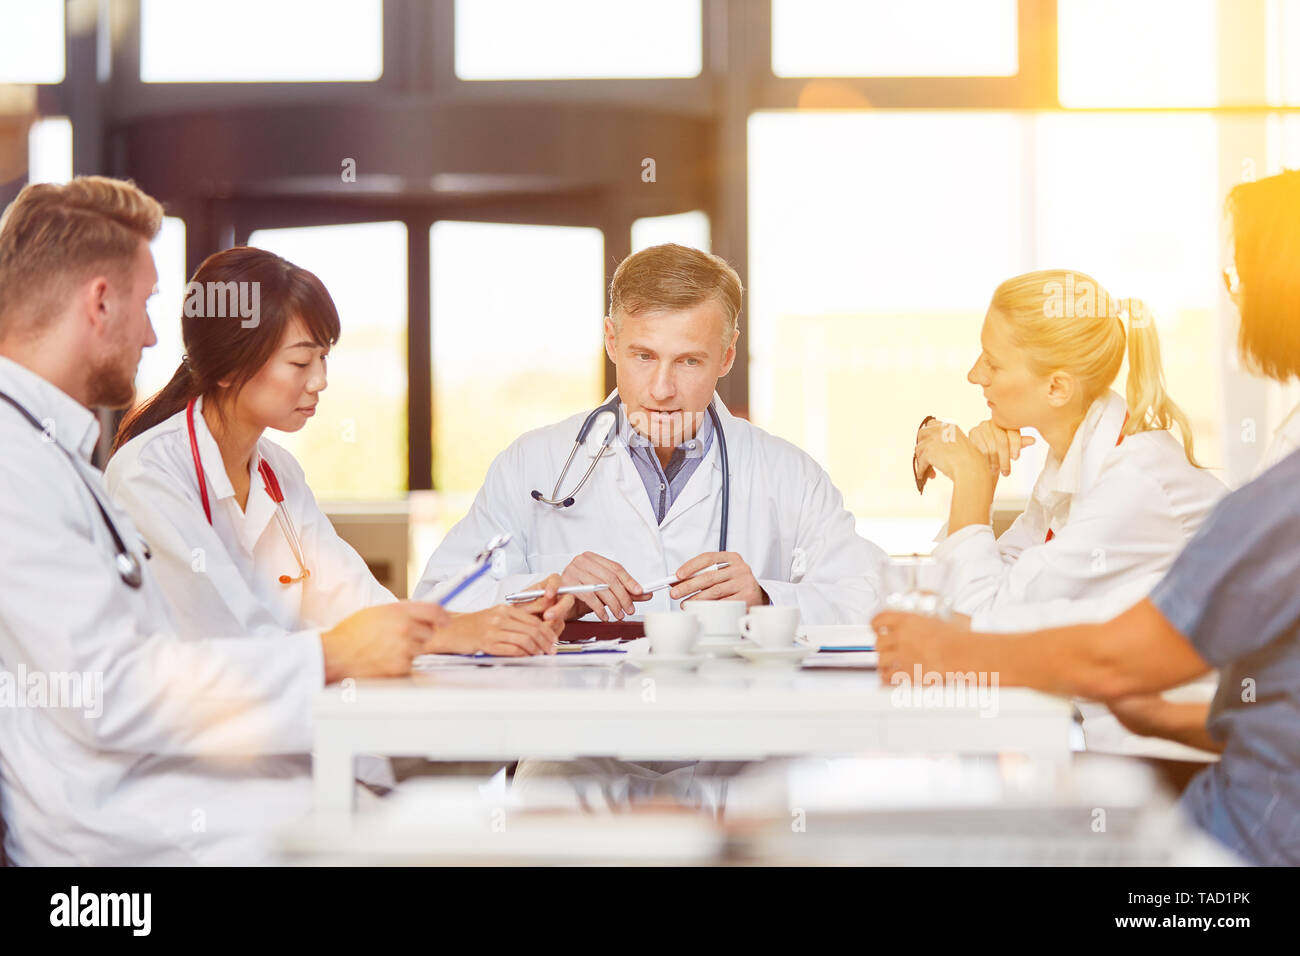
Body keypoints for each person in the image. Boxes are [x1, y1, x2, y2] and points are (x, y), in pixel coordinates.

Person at [0, 177, 564, 864]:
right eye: (147, 304)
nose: (154, 334)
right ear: (98, 302)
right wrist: (335, 653)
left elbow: (346, 609)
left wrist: (454, 630)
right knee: (430, 830)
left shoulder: (54, 451)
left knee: (456, 801)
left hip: (181, 770)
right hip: (133, 811)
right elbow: (117, 687)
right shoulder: (35, 465)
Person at [872, 169, 1300, 866]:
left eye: (1241, 277)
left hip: (1226, 829)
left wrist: (956, 640)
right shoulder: (1088, 464)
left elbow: (1102, 650)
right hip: (1201, 786)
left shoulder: (1157, 480)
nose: (975, 376)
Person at [107, 246, 564, 662]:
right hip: (198, 740)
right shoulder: (149, 474)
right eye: (301, 363)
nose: (320, 380)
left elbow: (358, 601)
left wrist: (478, 625)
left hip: (295, 725)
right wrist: (446, 635)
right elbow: (232, 639)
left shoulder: (277, 472)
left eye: (324, 359)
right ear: (227, 368)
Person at [414, 243, 885, 625]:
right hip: (579, 736)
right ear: (611, 341)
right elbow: (436, 601)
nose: (662, 390)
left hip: (728, 737)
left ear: (726, 357)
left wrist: (766, 599)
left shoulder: (789, 476)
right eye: (644, 356)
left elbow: (869, 603)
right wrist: (548, 587)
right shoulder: (531, 464)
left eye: (689, 361)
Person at [913, 269, 1225, 635]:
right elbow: (987, 588)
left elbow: (980, 624)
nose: (974, 375)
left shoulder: (1132, 480)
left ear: (1058, 389)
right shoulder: (1073, 456)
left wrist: (971, 479)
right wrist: (981, 473)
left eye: (993, 363)